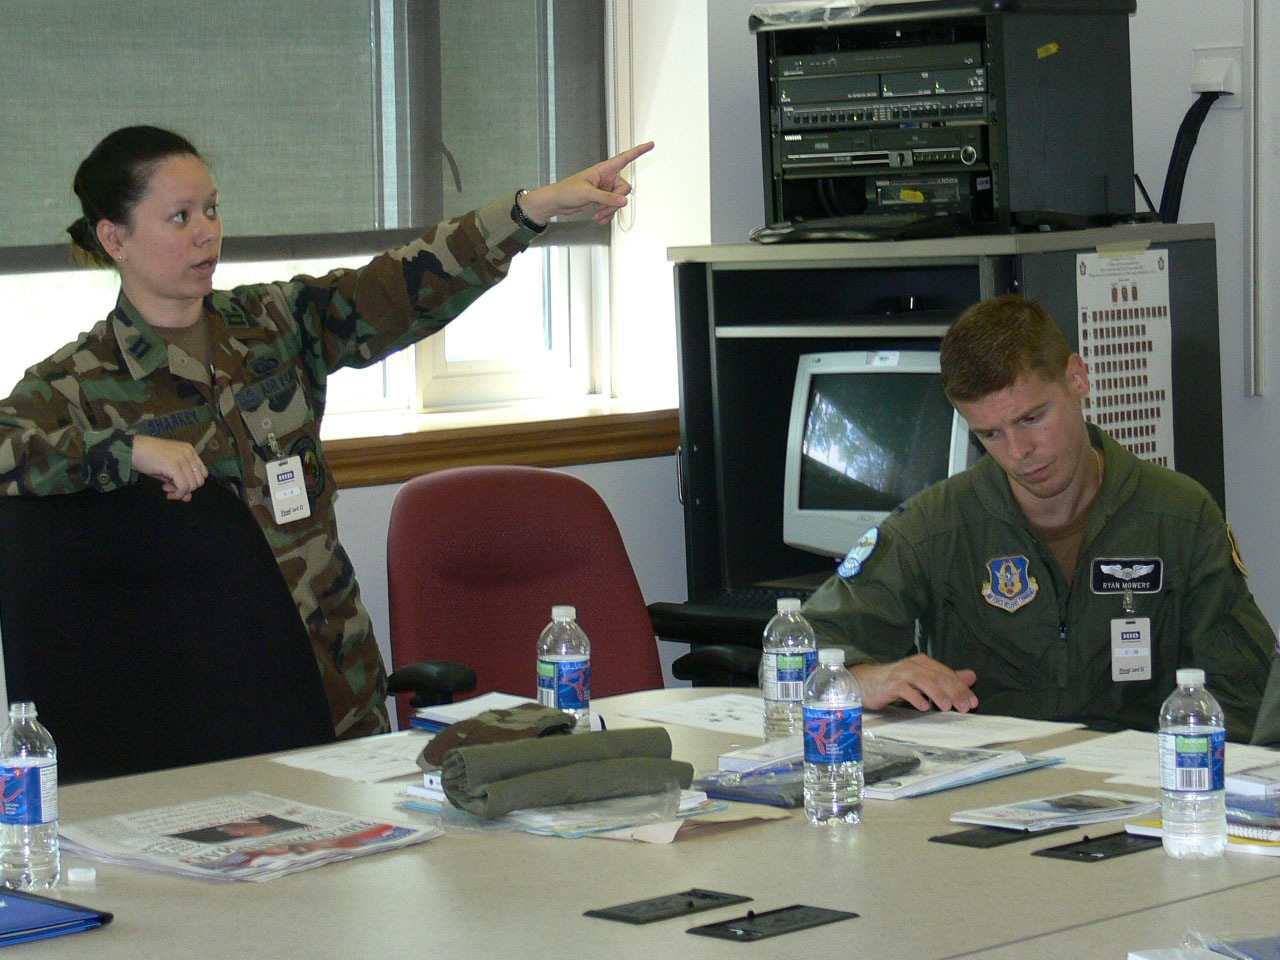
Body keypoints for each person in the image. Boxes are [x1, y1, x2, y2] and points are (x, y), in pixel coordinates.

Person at [0, 125, 654, 739]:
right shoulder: (80, 382)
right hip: (206, 710)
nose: (208, 234)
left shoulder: (274, 323)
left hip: (339, 691)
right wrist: (124, 451)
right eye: (181, 217)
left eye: (213, 210)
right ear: (115, 239)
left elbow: (400, 287)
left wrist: (536, 207)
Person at [801, 294, 1280, 744]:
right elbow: (800, 648)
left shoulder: (1179, 516)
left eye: (1031, 419)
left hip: (1146, 796)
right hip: (985, 797)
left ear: (1077, 378)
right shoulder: (937, 526)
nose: (1019, 452)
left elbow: (1245, 700)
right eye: (990, 433)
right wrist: (866, 680)